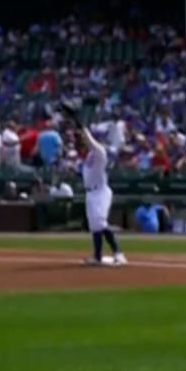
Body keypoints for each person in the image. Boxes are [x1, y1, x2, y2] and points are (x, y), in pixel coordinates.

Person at [65, 105, 126, 266]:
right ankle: (97, 256)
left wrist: (78, 121)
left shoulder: (100, 151)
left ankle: (118, 253)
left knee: (100, 223)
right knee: (94, 226)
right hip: (91, 194)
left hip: (101, 192)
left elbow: (88, 138)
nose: (81, 142)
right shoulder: (87, 158)